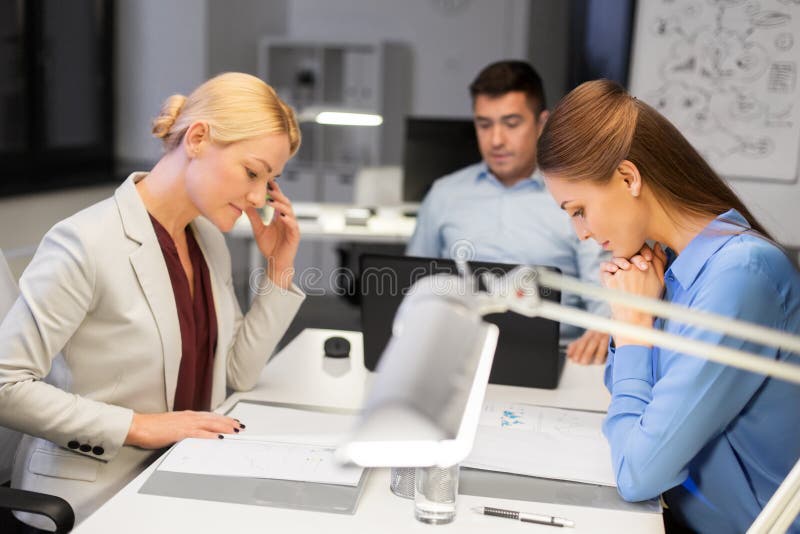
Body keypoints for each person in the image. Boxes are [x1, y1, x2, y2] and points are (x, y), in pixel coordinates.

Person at [0, 72, 306, 528]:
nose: (258, 198)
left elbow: (238, 372)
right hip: (96, 495)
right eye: (251, 172)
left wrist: (279, 268)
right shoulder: (84, 241)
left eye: (270, 181)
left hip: (185, 474)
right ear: (198, 138)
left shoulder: (206, 240)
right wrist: (141, 426)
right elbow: (5, 384)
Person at [537, 79, 800, 533]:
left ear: (627, 177)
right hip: (670, 515)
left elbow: (638, 472)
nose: (580, 233)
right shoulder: (669, 265)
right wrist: (633, 322)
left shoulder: (740, 276)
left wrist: (635, 329)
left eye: (578, 209)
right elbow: (629, 395)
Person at [406, 60, 610, 364]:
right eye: (484, 124)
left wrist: (604, 328)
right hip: (458, 353)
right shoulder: (445, 194)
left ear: (542, 124)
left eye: (511, 123)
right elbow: (413, 284)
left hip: (558, 355)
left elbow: (603, 293)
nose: (496, 140)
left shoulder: (574, 197)